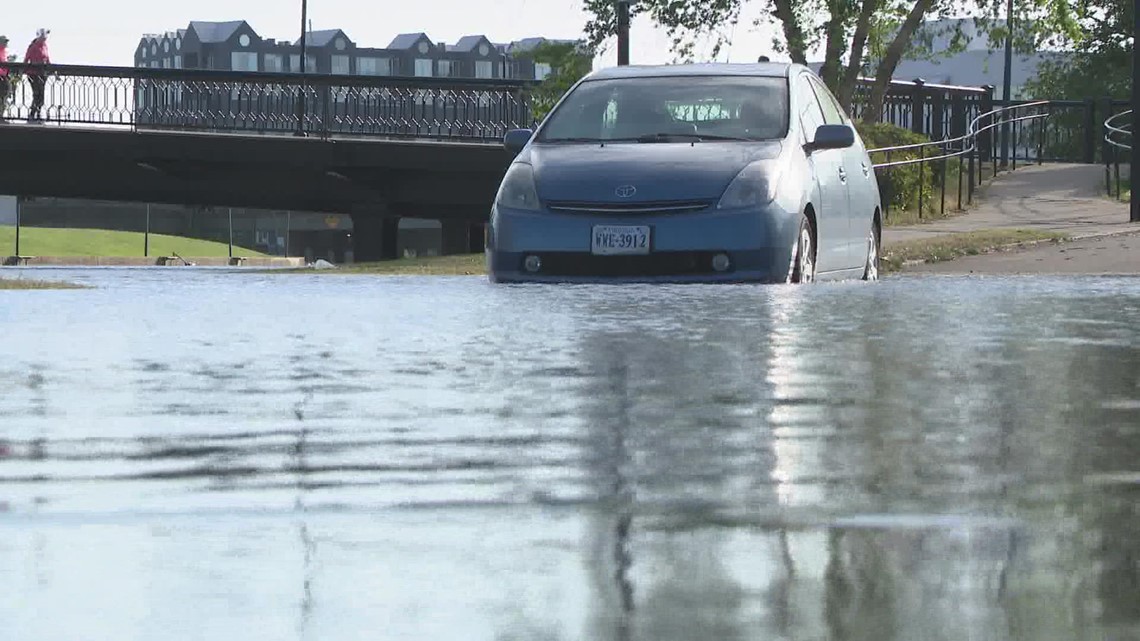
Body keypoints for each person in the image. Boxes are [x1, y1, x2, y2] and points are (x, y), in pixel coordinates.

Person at [24, 28, 50, 122]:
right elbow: (26, 59)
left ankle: (38, 113)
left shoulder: (45, 46)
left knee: (41, 95)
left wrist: (54, 72)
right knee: (36, 94)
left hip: (43, 74)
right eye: (43, 37)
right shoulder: (33, 46)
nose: (44, 39)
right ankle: (32, 114)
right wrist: (24, 69)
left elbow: (47, 59)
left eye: (45, 38)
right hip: (33, 74)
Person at [0, 35, 10, 122]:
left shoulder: (4, 52)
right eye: (4, 41)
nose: (6, 43)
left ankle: (1, 115)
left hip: (4, 76)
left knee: (5, 95)